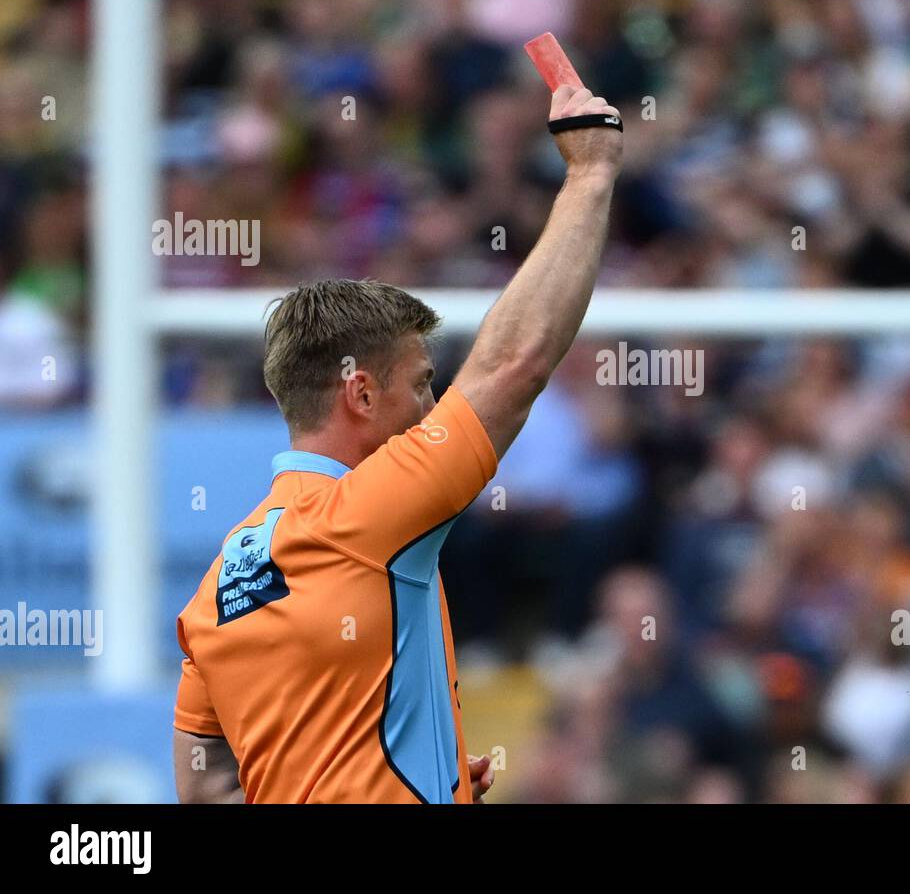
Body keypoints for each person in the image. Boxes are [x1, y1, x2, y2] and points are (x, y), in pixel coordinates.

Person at [171, 83, 623, 803]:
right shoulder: (367, 512)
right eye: (421, 383)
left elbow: (204, 788)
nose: (434, 406)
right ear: (360, 395)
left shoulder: (220, 582)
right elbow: (515, 365)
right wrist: (591, 172)